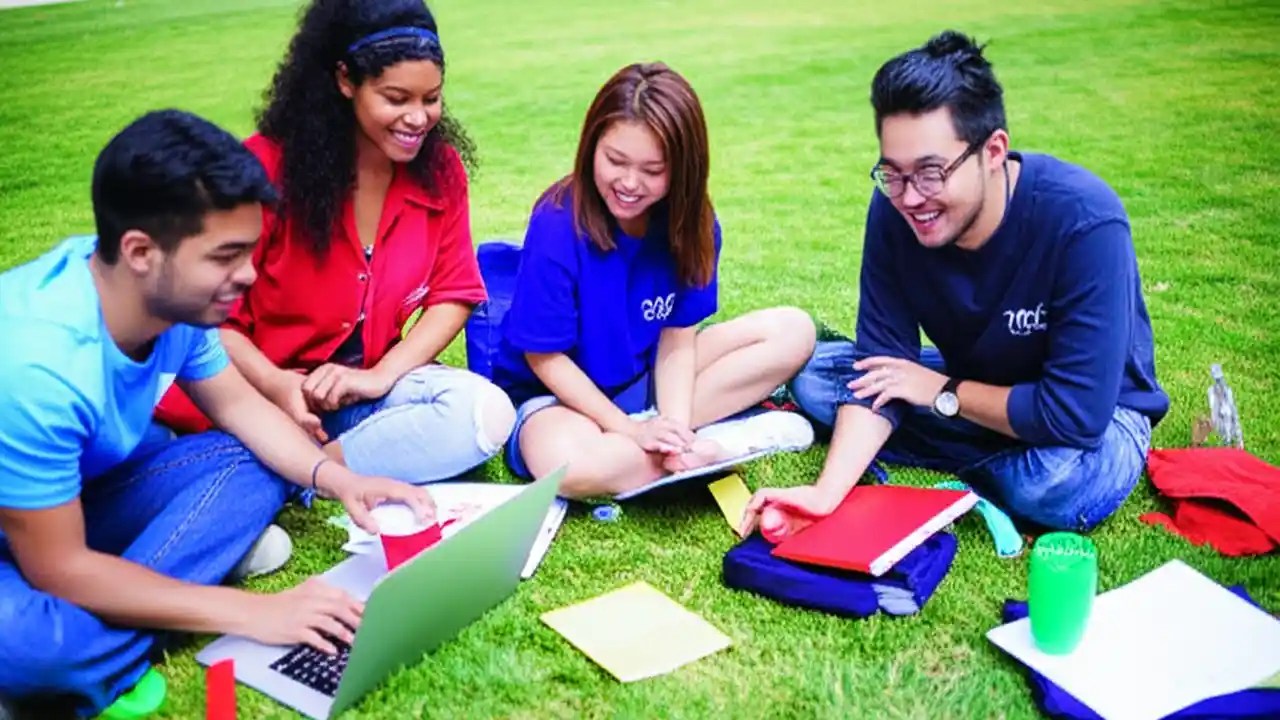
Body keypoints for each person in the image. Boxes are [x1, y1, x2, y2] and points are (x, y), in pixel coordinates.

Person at [0, 110, 434, 719]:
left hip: (72, 501)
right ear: (141, 251)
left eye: (250, 250)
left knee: (258, 461)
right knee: (41, 656)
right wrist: (257, 612)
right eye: (226, 256)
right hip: (32, 541)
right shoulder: (36, 366)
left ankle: (137, 603)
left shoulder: (170, 304)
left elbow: (239, 409)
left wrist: (343, 481)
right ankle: (138, 615)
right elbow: (60, 568)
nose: (249, 275)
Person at [742, 31, 1169, 538]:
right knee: (817, 379)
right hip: (977, 383)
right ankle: (996, 456)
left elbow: (1075, 415)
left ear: (993, 151)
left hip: (1095, 415)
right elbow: (882, 364)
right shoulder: (894, 210)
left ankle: (974, 456)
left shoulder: (1084, 222)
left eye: (930, 173)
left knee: (1055, 482)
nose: (910, 197)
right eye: (892, 174)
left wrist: (941, 394)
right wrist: (825, 493)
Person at [155, 0, 515, 484]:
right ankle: (272, 465)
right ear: (346, 81)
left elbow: (454, 294)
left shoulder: (441, 169)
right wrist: (277, 384)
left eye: (431, 98)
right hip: (248, 396)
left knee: (485, 413)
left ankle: (300, 476)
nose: (418, 118)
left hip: (357, 395)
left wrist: (381, 375)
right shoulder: (261, 171)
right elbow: (208, 322)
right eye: (396, 98)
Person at [491, 62, 817, 499]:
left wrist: (674, 428)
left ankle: (676, 447)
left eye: (652, 170)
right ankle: (719, 447)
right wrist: (626, 428)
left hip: (646, 383)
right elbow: (544, 358)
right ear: (591, 148)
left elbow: (678, 342)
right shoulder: (557, 220)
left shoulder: (692, 221)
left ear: (683, 168)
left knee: (793, 331)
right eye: (615, 160)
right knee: (571, 471)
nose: (629, 183)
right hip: (558, 399)